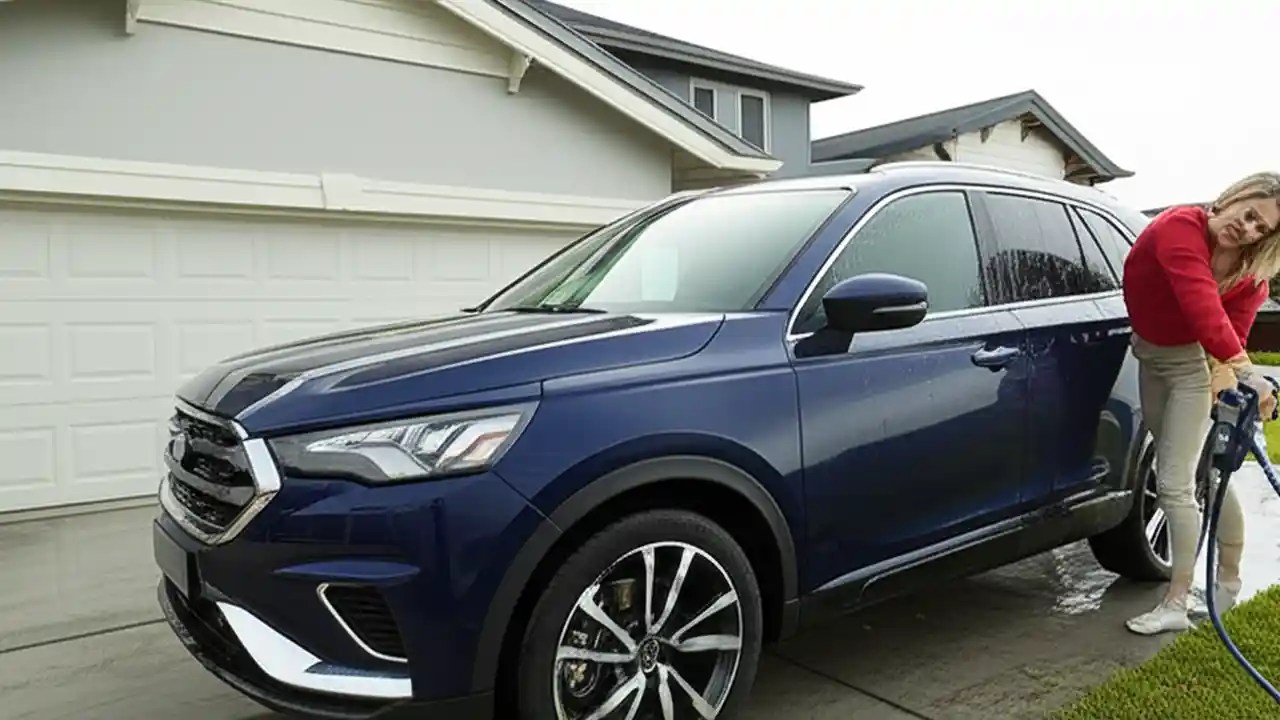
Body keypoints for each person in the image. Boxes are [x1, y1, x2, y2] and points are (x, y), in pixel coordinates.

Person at [1121, 171, 1280, 635]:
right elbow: (1198, 300)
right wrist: (1246, 368)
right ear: (1235, 196)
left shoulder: (1252, 279)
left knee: (1173, 482)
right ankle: (1228, 578)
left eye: (1261, 229)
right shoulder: (1178, 228)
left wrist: (1231, 373)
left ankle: (1178, 599)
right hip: (1149, 358)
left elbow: (1229, 330)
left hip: (1189, 368)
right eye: (1249, 215)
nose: (1248, 229)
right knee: (1198, 472)